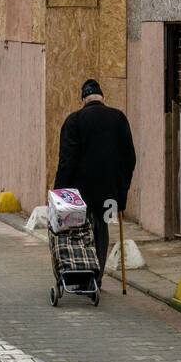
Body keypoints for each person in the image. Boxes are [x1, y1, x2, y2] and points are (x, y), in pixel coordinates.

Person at [54, 78, 137, 284]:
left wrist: (60, 192)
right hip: (110, 192)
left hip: (80, 192)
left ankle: (80, 272)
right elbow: (129, 158)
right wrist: (122, 188)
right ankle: (96, 278)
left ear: (83, 99)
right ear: (103, 97)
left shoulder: (74, 120)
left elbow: (67, 160)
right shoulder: (119, 118)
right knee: (102, 230)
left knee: (78, 231)